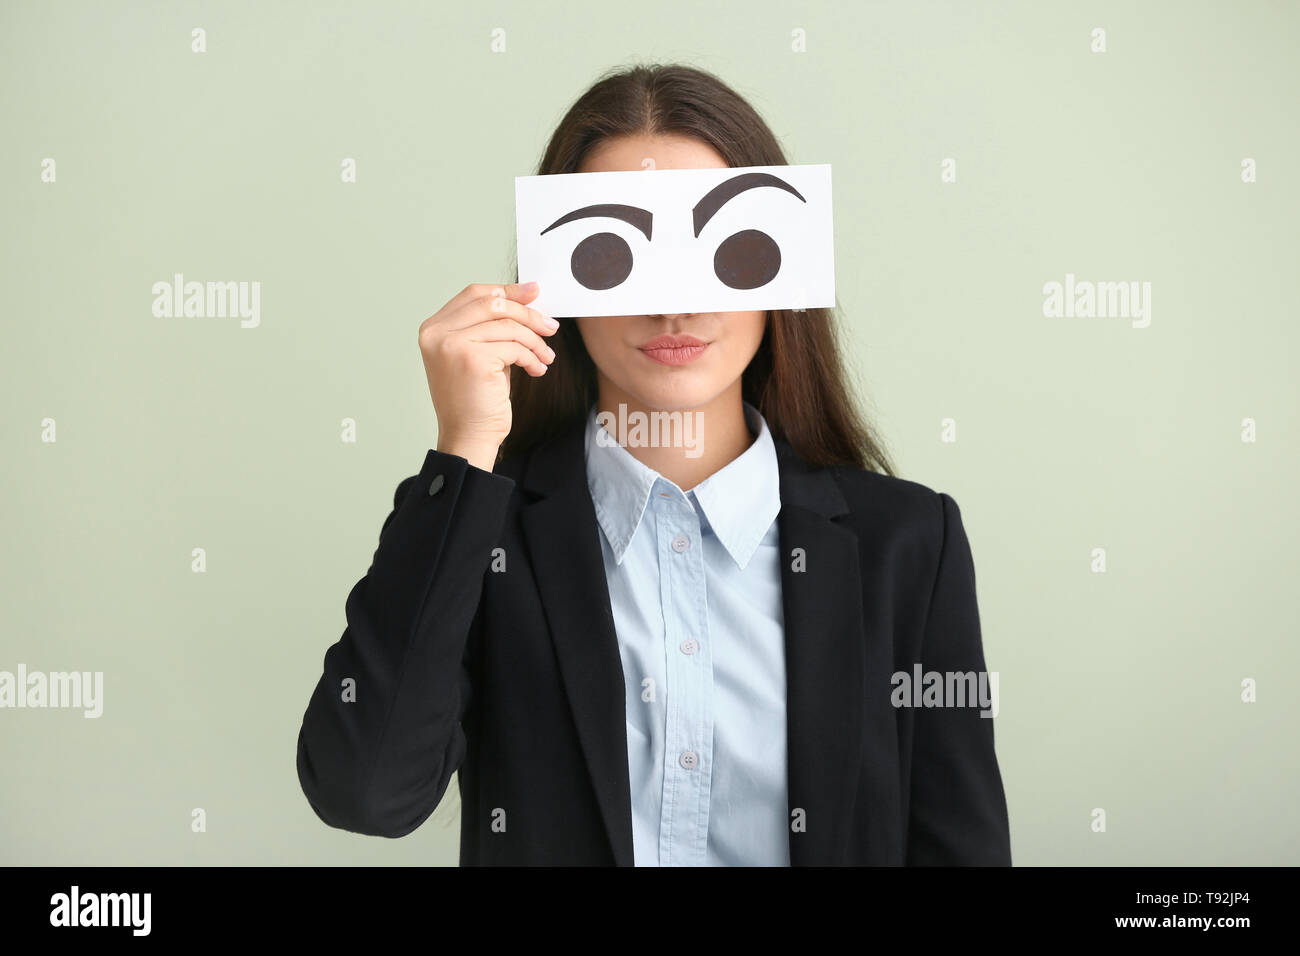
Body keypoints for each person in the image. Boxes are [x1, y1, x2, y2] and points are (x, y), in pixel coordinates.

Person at [295, 62, 1012, 866]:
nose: (676, 305)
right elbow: (363, 792)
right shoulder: (488, 540)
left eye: (729, 252)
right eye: (613, 257)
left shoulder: (908, 545)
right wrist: (464, 451)